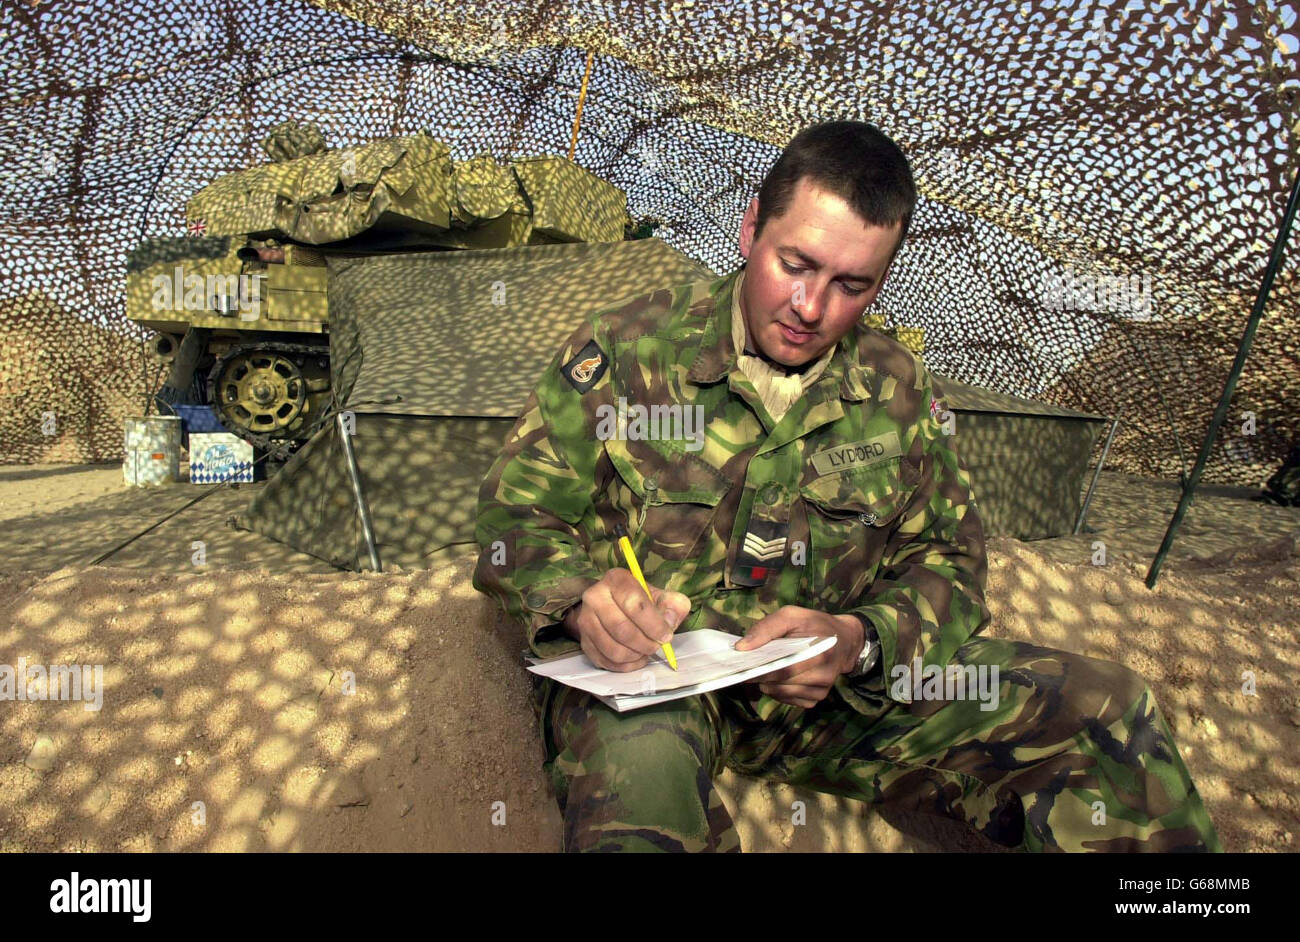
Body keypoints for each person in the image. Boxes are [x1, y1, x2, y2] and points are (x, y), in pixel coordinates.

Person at [472, 120, 1222, 853]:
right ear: (749, 230)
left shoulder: (897, 388)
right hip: (650, 688)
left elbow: (951, 565)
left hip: (834, 704)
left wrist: (859, 642)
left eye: (850, 285)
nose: (810, 307)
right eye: (795, 264)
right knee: (640, 790)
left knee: (1104, 707)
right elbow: (511, 522)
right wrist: (579, 602)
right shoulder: (626, 349)